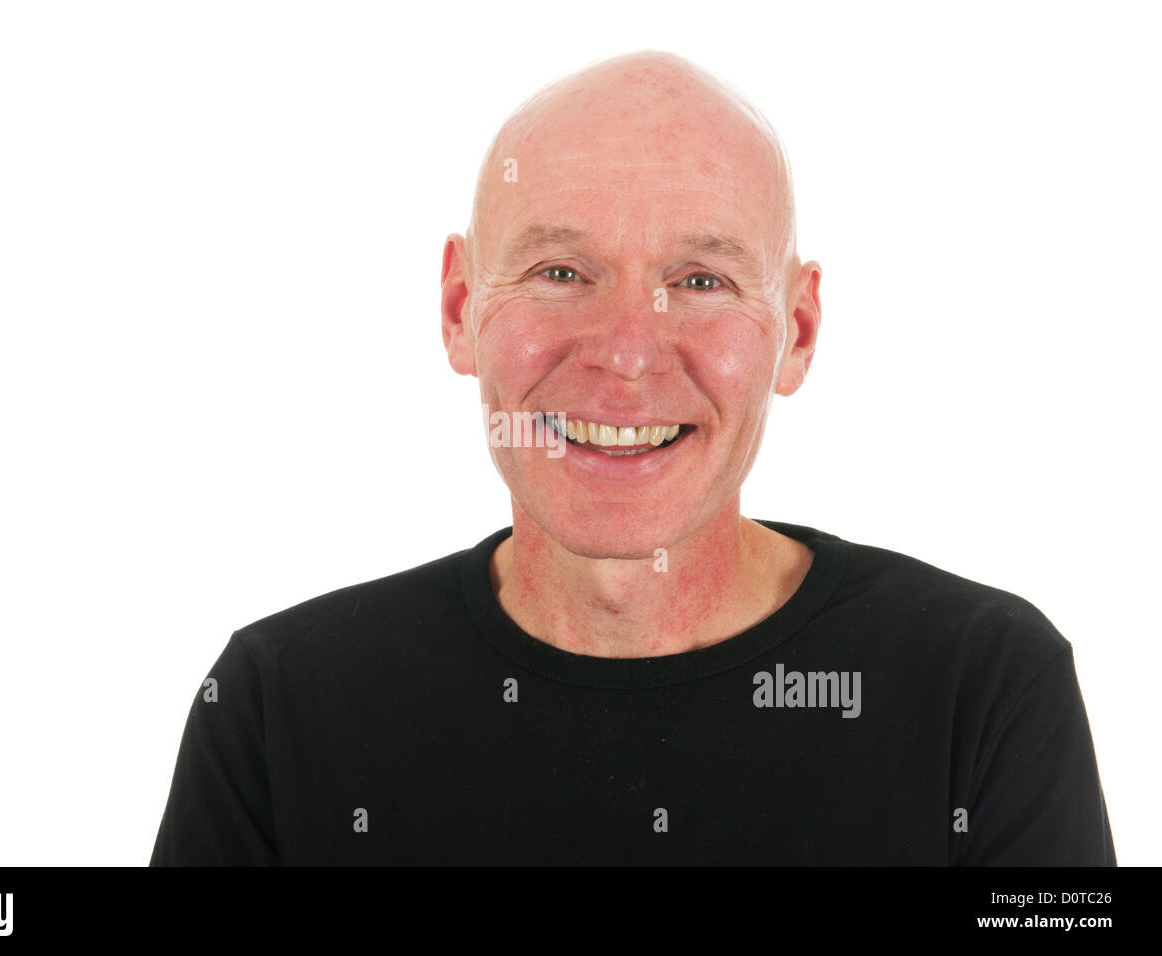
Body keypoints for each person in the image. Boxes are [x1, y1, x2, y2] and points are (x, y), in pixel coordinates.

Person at [150, 51, 1115, 865]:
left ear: (798, 330)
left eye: (700, 280)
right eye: (561, 273)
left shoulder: (982, 690)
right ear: (459, 310)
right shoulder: (282, 708)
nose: (626, 351)